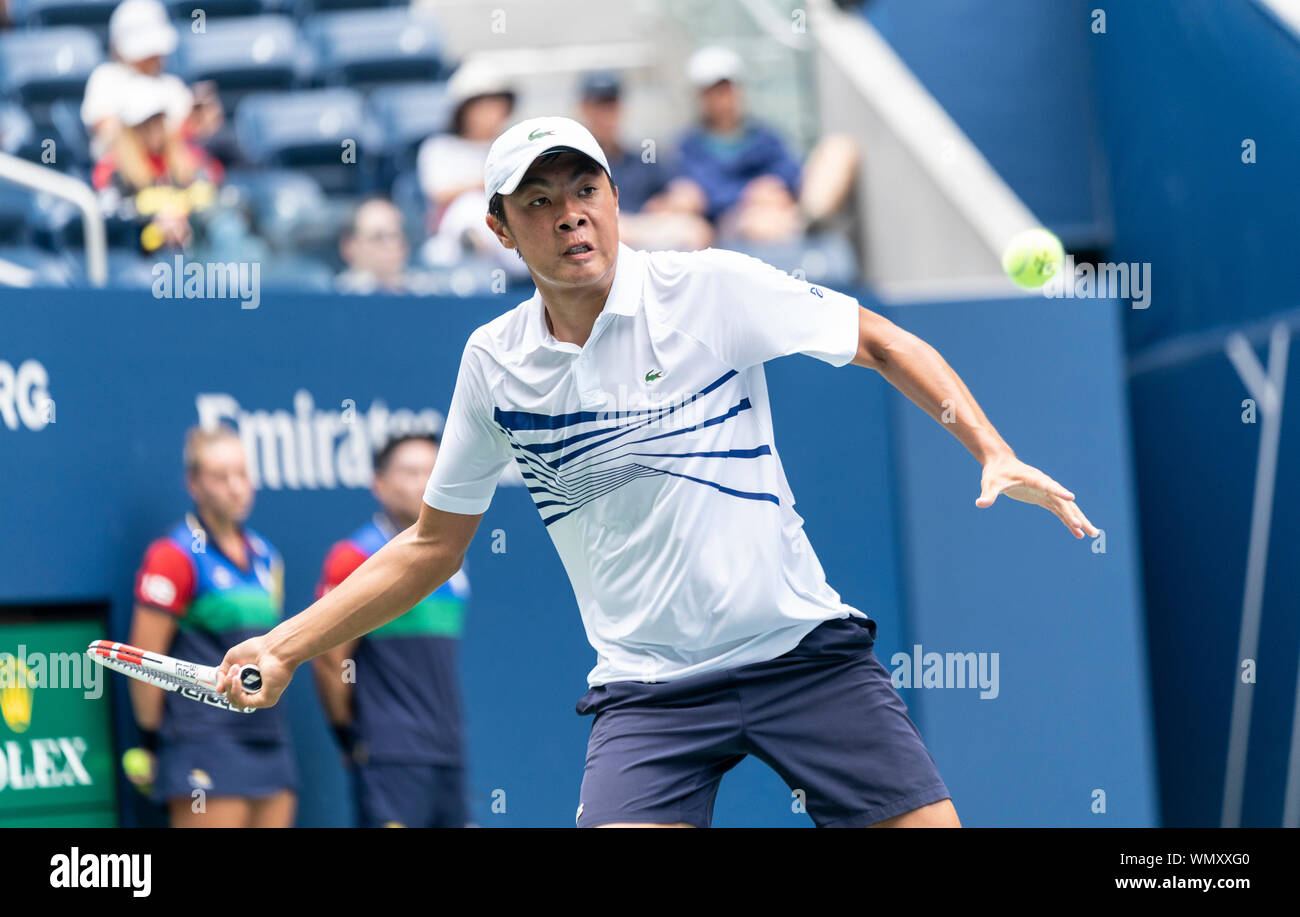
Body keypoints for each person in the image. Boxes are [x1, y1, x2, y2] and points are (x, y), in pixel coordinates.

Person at [215, 117, 1100, 829]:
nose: (570, 215)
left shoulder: (711, 288)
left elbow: (880, 340)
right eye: (539, 200)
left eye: (586, 190)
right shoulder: (494, 362)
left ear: (612, 197)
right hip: (649, 690)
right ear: (499, 227)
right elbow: (431, 546)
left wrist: (989, 445)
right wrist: (285, 644)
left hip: (801, 654)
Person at [128, 426, 297, 828]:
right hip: (203, 744)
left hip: (270, 740)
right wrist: (151, 742)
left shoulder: (268, 558)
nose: (235, 487)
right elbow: (145, 664)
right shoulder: (173, 556)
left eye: (242, 474)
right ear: (194, 484)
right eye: (221, 477)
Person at [313, 434, 471, 828]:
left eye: (432, 472)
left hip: (448, 753)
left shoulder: (451, 561)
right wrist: (350, 736)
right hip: (390, 757)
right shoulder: (353, 557)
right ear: (379, 484)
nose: (423, 482)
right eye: (411, 471)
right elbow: (332, 663)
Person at [671, 45, 859, 244]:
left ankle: (809, 223)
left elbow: (792, 172)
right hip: (735, 223)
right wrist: (748, 195)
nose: (723, 98)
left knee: (838, 148)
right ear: (701, 97)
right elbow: (699, 195)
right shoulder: (688, 146)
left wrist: (774, 189)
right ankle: (799, 229)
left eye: (727, 88)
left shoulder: (764, 135)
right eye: (715, 91)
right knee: (757, 222)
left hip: (782, 210)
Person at [575, 69, 711, 252]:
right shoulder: (575, 163)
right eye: (599, 105)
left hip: (646, 229)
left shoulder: (643, 156)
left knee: (696, 230)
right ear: (584, 108)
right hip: (608, 235)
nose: (606, 114)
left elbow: (685, 193)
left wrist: (669, 203)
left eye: (611, 104)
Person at [415, 62, 526, 277]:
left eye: (496, 104)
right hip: (452, 242)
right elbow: (438, 192)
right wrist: (484, 185)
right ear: (462, 110)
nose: (490, 112)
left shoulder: (512, 147)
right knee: (470, 207)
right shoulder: (439, 147)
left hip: (509, 235)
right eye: (481, 104)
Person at [81, 0, 222, 161]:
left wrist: (199, 121)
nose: (153, 57)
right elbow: (106, 131)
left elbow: (192, 140)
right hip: (121, 178)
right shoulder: (105, 79)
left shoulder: (172, 86)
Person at [92, 79, 222, 253]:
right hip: (137, 260)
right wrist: (152, 221)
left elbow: (211, 196)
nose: (153, 130)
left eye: (158, 120)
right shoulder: (111, 168)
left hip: (191, 255)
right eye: (144, 124)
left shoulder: (187, 161)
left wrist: (184, 218)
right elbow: (110, 216)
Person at [335, 197, 437, 295]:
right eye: (378, 237)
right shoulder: (337, 295)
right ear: (349, 246)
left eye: (395, 235)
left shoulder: (426, 291)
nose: (392, 245)